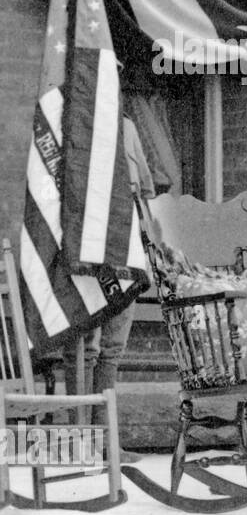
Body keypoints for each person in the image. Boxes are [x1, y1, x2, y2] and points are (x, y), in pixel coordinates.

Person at [63, 115, 155, 457]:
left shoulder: (128, 126)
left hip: (125, 246)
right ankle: (78, 442)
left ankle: (105, 444)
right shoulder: (73, 117)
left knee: (113, 347)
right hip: (88, 245)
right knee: (86, 347)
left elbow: (145, 187)